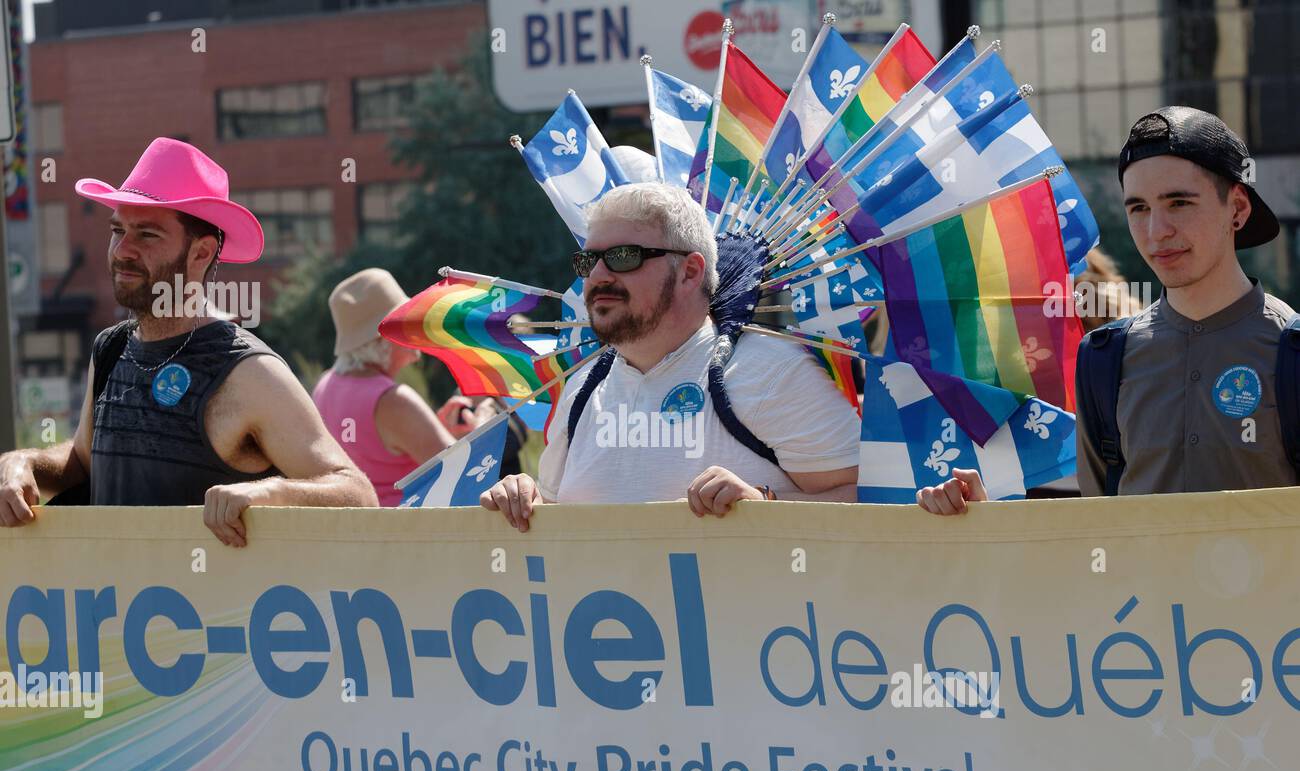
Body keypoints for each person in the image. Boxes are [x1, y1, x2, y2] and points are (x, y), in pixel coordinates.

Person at [916, 106, 1295, 514]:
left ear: (1237, 208)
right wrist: (981, 519)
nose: (1156, 231)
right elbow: (1097, 531)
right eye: (1139, 209)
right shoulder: (1104, 358)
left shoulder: (1289, 351)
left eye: (1180, 203)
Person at [0, 137, 377, 544]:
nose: (122, 250)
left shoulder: (248, 372)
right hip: (114, 608)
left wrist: (270, 493)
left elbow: (359, 495)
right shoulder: (111, 349)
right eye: (117, 230)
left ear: (200, 253)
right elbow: (82, 464)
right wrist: (23, 463)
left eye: (146, 234)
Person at [480, 182, 862, 532]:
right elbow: (556, 522)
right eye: (588, 261)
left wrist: (766, 505)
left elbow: (876, 506)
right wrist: (524, 499)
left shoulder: (774, 373)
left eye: (623, 257)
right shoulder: (581, 388)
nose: (597, 275)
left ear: (690, 272)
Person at [312, 268, 497, 505]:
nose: (415, 329)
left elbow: (372, 454)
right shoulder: (393, 400)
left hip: (356, 532)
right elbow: (468, 474)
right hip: (403, 535)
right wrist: (484, 423)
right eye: (405, 322)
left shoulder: (326, 385)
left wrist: (433, 431)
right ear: (382, 338)